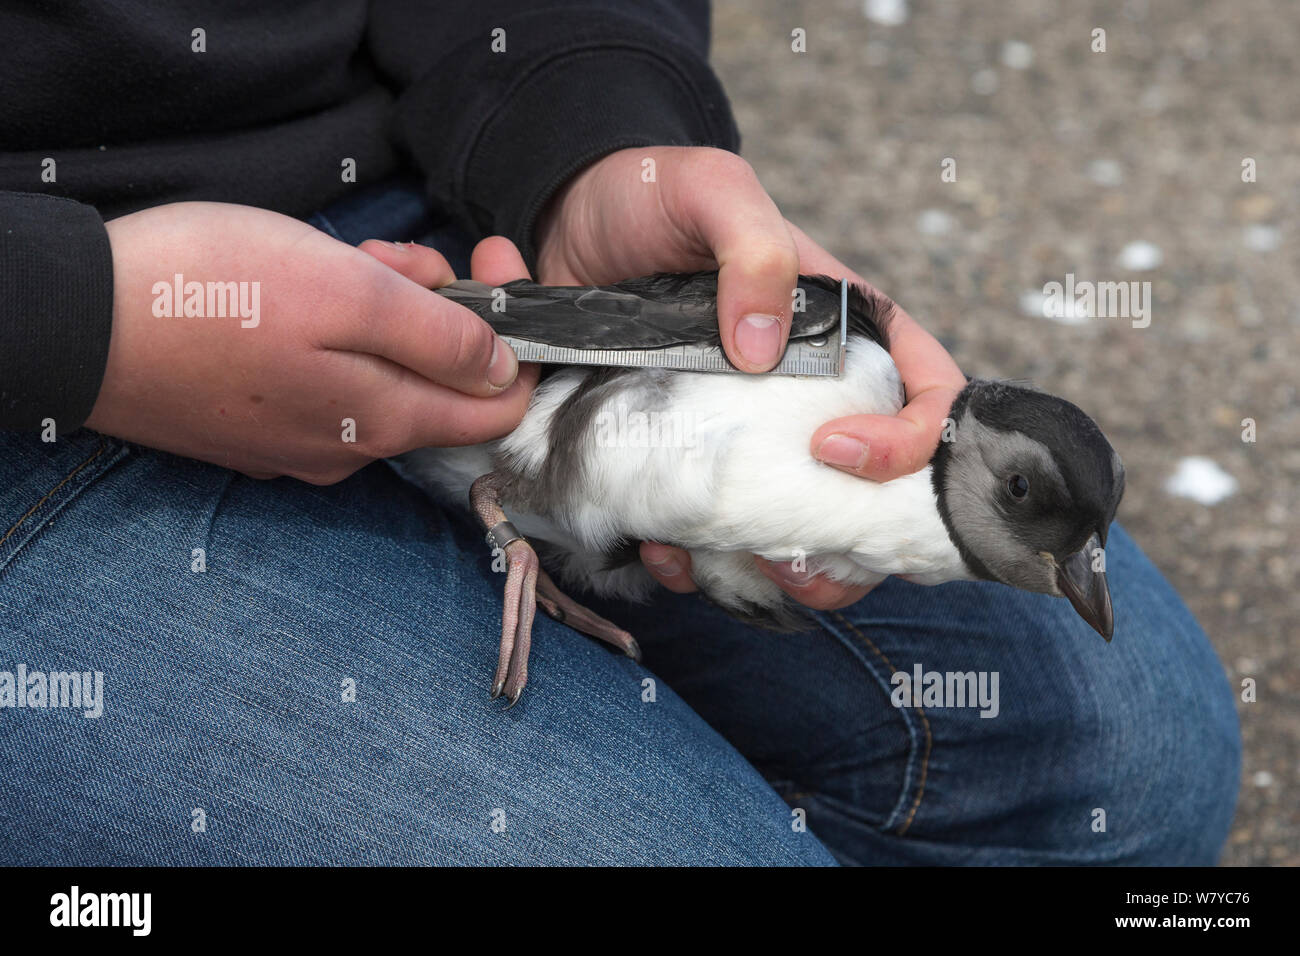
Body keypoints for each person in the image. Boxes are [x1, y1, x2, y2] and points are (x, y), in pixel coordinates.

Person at [0, 2, 1238, 865]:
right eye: (1026, 498)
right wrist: (74, 317)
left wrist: (588, 134)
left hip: (413, 212)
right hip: (52, 347)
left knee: (1127, 771)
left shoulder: (847, 369)